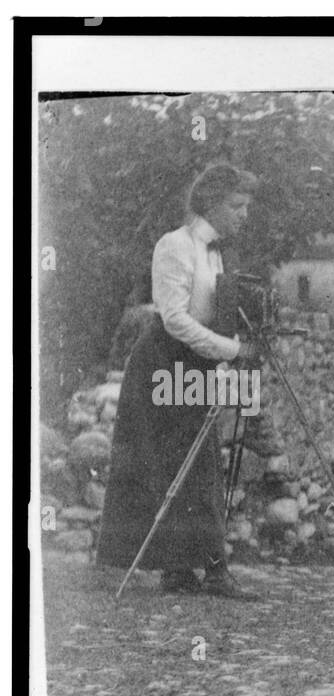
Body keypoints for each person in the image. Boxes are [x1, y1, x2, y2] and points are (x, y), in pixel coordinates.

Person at [97, 163, 262, 598]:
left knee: (200, 460)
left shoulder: (218, 252)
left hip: (197, 365)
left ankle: (191, 566)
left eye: (247, 206)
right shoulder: (175, 245)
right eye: (237, 205)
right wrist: (232, 351)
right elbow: (174, 320)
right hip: (163, 365)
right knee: (173, 462)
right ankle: (197, 569)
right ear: (211, 203)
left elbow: (215, 315)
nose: (244, 214)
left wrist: (232, 346)